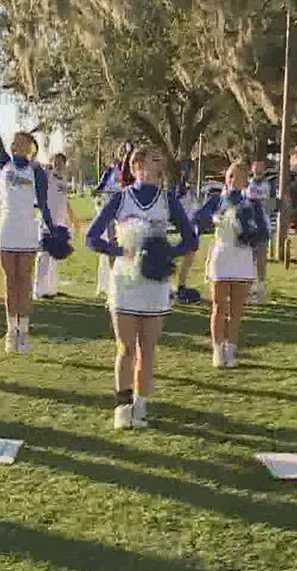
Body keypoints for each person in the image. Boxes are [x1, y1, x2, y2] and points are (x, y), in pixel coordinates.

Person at [87, 146, 198, 429]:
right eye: (153, 161)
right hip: (126, 282)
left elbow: (191, 240)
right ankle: (121, 407)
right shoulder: (120, 200)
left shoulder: (168, 201)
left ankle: (141, 405)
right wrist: (120, 251)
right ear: (136, 166)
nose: (159, 166)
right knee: (125, 347)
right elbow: (91, 238)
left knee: (148, 348)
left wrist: (164, 254)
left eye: (161, 161)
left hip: (155, 284)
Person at [0, 105, 56, 354]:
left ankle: (24, 330)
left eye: (22, 142)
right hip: (7, 231)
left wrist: (52, 229)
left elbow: (44, 204)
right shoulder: (4, 164)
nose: (16, 144)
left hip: (27, 231)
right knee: (10, 282)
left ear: (30, 148)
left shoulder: (37, 172)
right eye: (14, 141)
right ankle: (10, 329)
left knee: (24, 282)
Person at [197, 161, 269, 368]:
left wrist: (250, 235)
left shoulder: (252, 204)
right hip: (222, 255)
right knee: (219, 306)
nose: (233, 181)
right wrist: (213, 219)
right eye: (230, 177)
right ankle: (217, 350)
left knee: (237, 310)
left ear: (246, 181)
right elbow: (198, 219)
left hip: (243, 258)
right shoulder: (216, 200)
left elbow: (263, 233)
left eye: (238, 178)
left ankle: (231, 350)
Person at [34, 153, 79, 299]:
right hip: (47, 222)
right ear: (51, 162)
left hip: (61, 222)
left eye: (61, 162)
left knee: (55, 256)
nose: (58, 165)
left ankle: (50, 289)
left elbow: (65, 201)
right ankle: (39, 290)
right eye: (56, 162)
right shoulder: (47, 176)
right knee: (44, 256)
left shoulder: (64, 180)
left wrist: (72, 219)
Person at [93, 145, 134, 298]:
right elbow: (99, 188)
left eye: (128, 153)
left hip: (126, 216)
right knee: (112, 245)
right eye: (123, 153)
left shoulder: (132, 174)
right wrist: (98, 193)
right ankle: (111, 281)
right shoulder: (110, 171)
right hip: (111, 214)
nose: (125, 156)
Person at [246, 160, 277, 303]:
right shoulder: (247, 184)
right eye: (255, 169)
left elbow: (273, 205)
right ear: (252, 169)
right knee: (247, 257)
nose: (257, 171)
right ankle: (249, 285)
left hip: (263, 225)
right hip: (248, 225)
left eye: (260, 169)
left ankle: (261, 285)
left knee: (261, 256)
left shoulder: (269, 185)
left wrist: (264, 204)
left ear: (264, 170)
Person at [172, 159, 201, 303]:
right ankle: (172, 286)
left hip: (190, 227)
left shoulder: (193, 191)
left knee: (189, 256)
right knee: (176, 256)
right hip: (179, 228)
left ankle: (180, 285)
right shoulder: (180, 189)